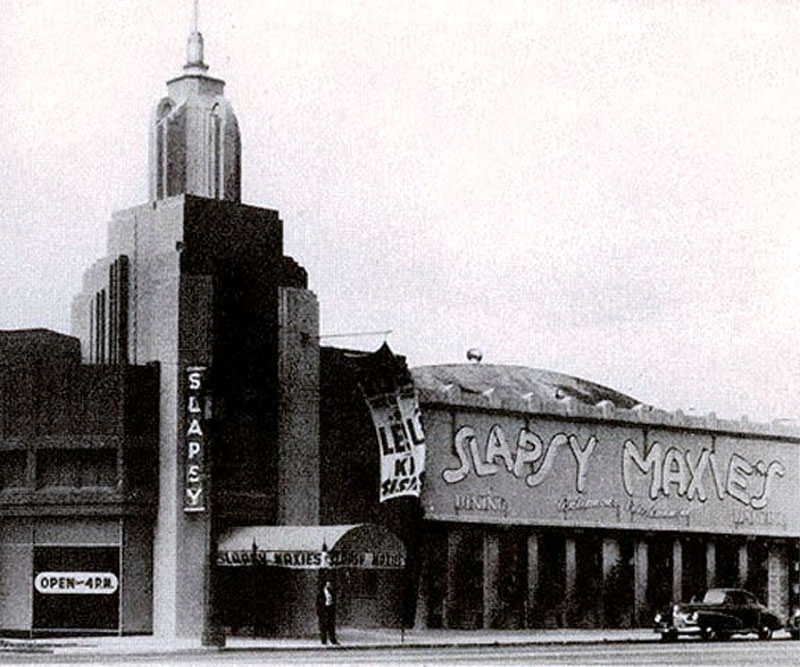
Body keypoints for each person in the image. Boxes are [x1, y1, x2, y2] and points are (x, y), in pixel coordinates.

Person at [317, 578, 339, 645]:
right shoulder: (320, 592)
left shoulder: (331, 591)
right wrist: (319, 611)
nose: (329, 584)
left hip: (330, 609)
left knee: (331, 626)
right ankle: (324, 640)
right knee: (323, 626)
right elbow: (318, 603)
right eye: (328, 583)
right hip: (324, 610)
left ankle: (333, 640)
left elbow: (333, 599)